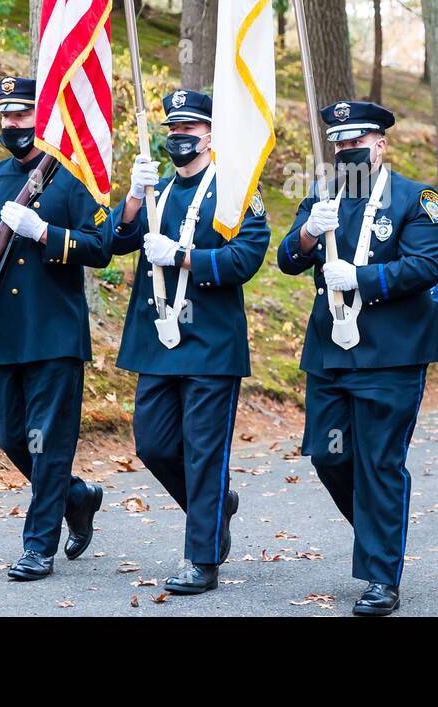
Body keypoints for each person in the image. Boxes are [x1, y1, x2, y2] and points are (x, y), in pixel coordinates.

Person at [277, 100, 438, 616]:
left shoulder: (417, 197)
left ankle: (380, 574)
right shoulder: (321, 195)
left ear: (380, 144)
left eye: (358, 142)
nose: (348, 151)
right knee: (330, 456)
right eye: (341, 144)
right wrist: (309, 230)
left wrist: (364, 278)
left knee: (380, 463)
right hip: (331, 352)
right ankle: (379, 534)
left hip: (391, 355)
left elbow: (426, 266)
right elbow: (287, 259)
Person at [106, 89, 270, 594]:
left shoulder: (234, 189)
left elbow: (246, 257)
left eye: (190, 129)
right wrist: (133, 198)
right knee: (153, 444)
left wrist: (182, 255)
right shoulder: (155, 189)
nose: (179, 138)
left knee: (203, 451)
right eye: (173, 130)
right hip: (158, 339)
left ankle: (202, 559)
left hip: (210, 342)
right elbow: (113, 241)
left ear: (211, 135)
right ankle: (216, 504)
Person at [0, 75, 110, 581]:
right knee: (10, 436)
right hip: (1, 334)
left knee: (48, 441)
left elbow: (101, 246)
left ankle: (38, 546)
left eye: (22, 115)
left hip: (53, 335)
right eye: (6, 116)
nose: (13, 124)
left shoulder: (71, 178)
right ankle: (76, 497)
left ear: (42, 120)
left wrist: (44, 232)